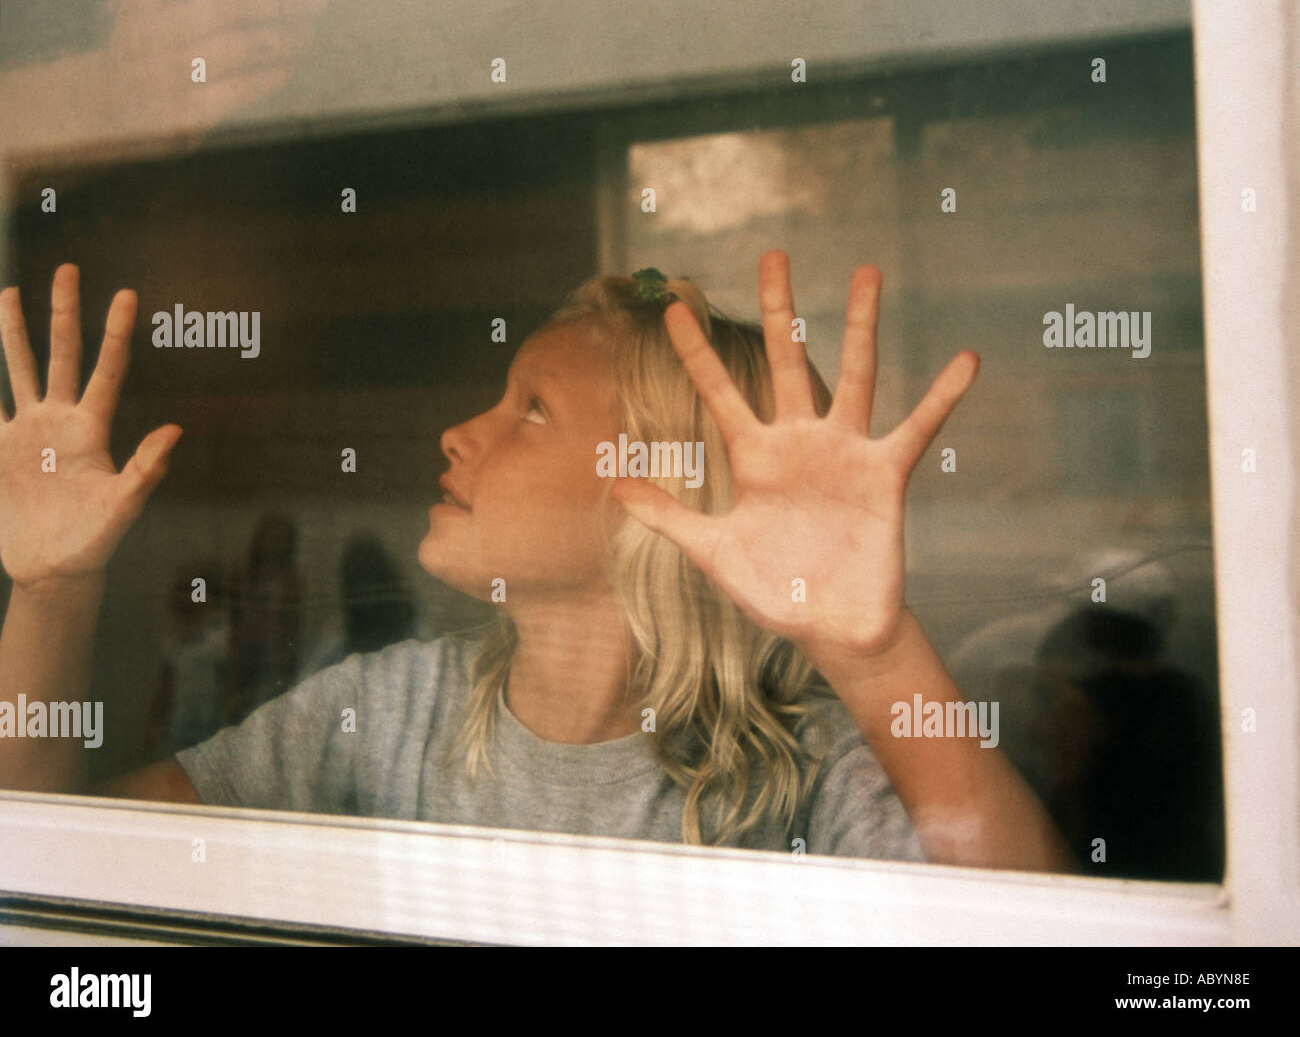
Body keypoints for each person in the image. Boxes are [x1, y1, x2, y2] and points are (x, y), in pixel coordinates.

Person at [0, 255, 1077, 872]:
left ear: (653, 489)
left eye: (530, 409)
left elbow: (1045, 945)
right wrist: (51, 588)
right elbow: (38, 859)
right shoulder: (383, 713)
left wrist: (874, 650)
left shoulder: (792, 772)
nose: (459, 434)